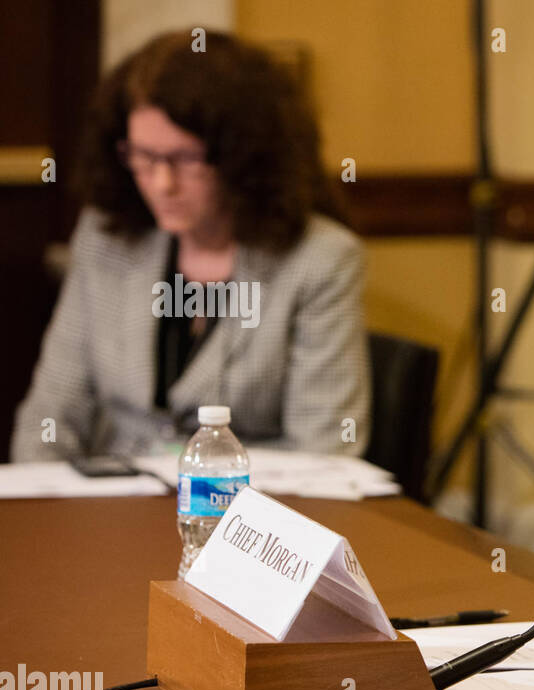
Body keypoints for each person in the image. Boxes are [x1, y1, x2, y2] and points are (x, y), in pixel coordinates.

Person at [10, 30, 370, 462]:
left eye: (185, 158)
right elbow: (50, 415)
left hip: (241, 513)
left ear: (242, 155)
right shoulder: (106, 238)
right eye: (143, 156)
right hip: (109, 512)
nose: (162, 183)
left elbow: (324, 452)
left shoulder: (321, 260)